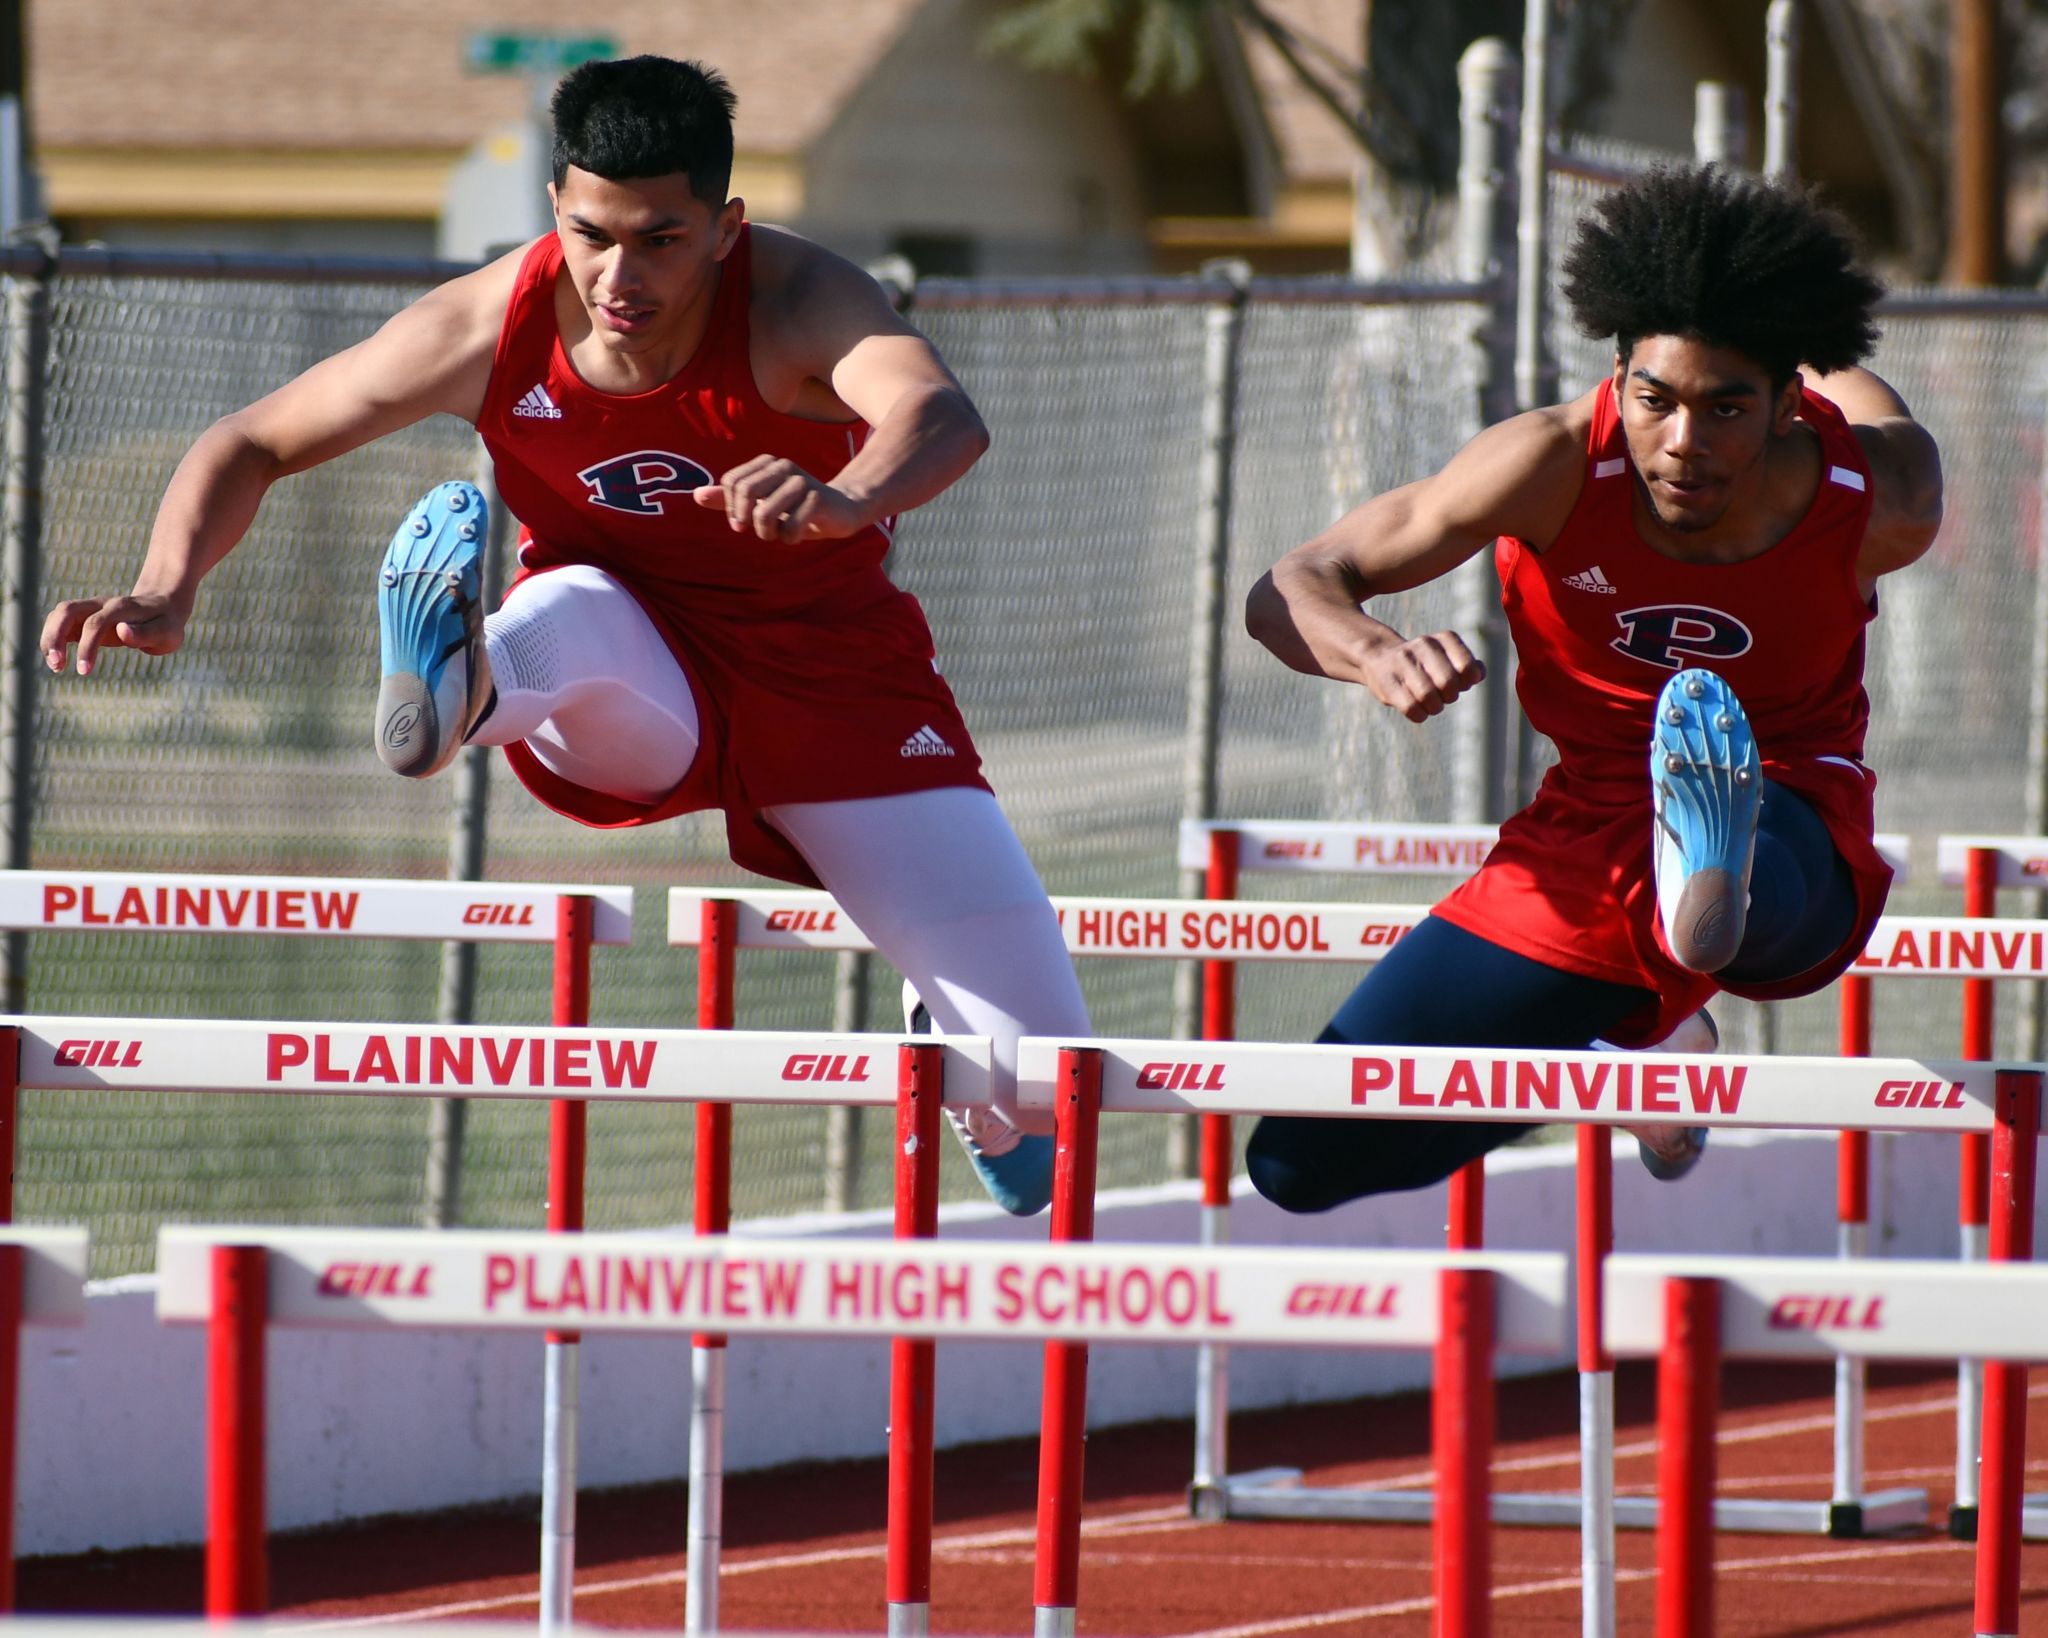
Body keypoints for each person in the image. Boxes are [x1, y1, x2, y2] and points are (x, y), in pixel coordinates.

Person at [38, 55, 1087, 1216]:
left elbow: (939, 412)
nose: (619, 276)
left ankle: (959, 1054)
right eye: (594, 235)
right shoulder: (490, 321)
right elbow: (253, 439)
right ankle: (464, 691)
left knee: (1042, 1100)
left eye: (662, 240)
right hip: (619, 675)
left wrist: (851, 495)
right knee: (574, 610)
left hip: (838, 685)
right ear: (555, 209)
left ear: (728, 229)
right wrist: (164, 583)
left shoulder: (797, 300)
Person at [1240, 164, 1943, 1210]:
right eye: (1654, 402)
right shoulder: (1548, 462)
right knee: (1294, 1166)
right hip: (1583, 832)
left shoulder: (1878, 490)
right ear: (1616, 379)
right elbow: (1289, 585)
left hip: (1789, 800)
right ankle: (1647, 1037)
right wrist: (1372, 652)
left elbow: (1851, 372)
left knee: (1743, 910)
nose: (1684, 445)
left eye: (1725, 409)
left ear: (1788, 402)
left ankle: (1711, 871)